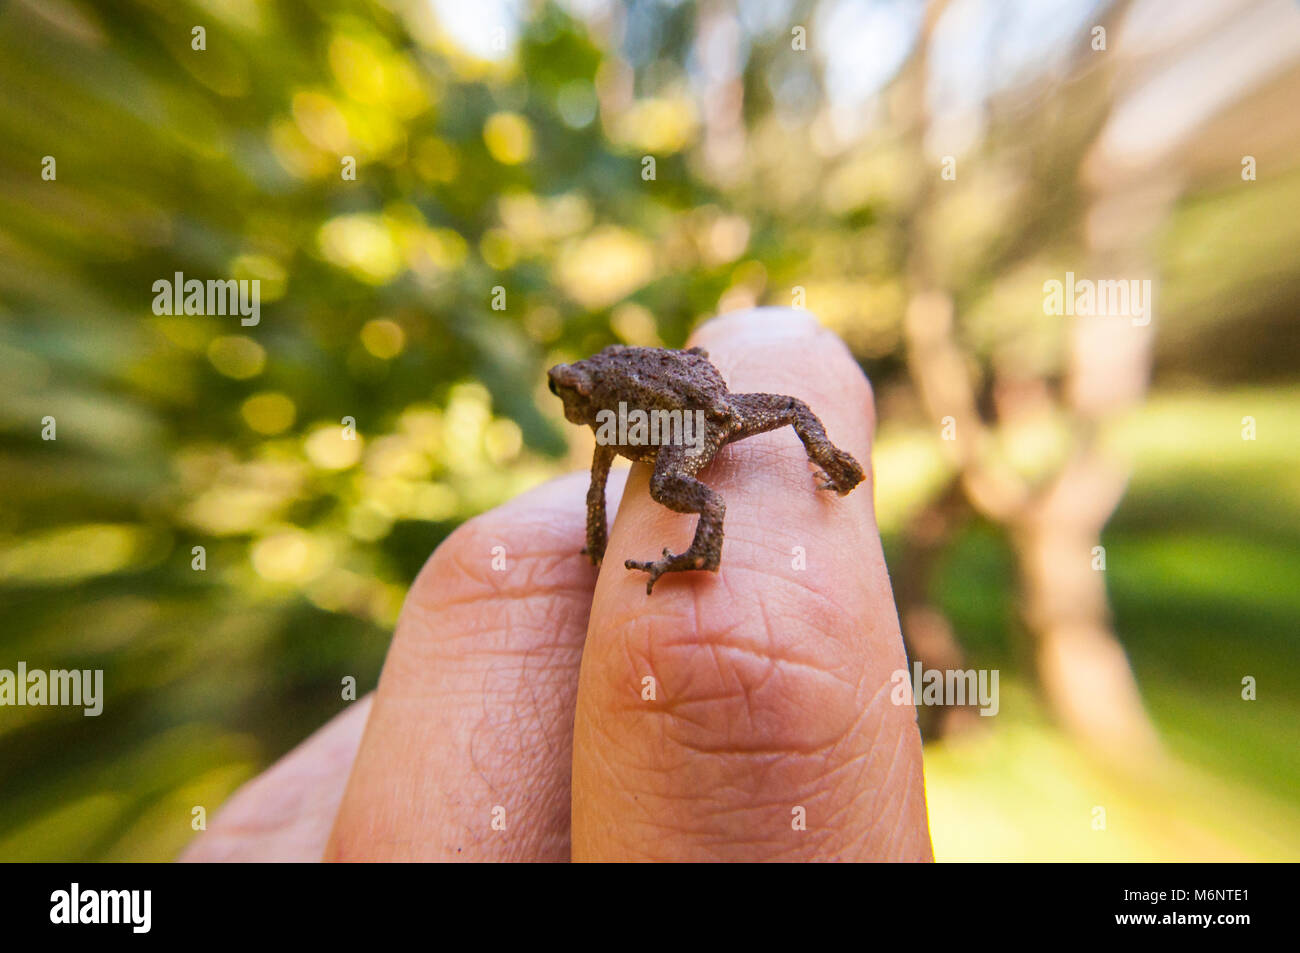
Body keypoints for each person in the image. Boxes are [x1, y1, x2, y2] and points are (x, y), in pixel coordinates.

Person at [181, 308, 933, 862]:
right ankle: (826, 459)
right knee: (795, 409)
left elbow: (597, 491)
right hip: (720, 404)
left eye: (569, 389)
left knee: (690, 490)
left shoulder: (608, 432)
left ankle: (704, 553)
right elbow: (675, 376)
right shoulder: (615, 417)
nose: (568, 399)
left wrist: (599, 549)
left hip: (692, 429)